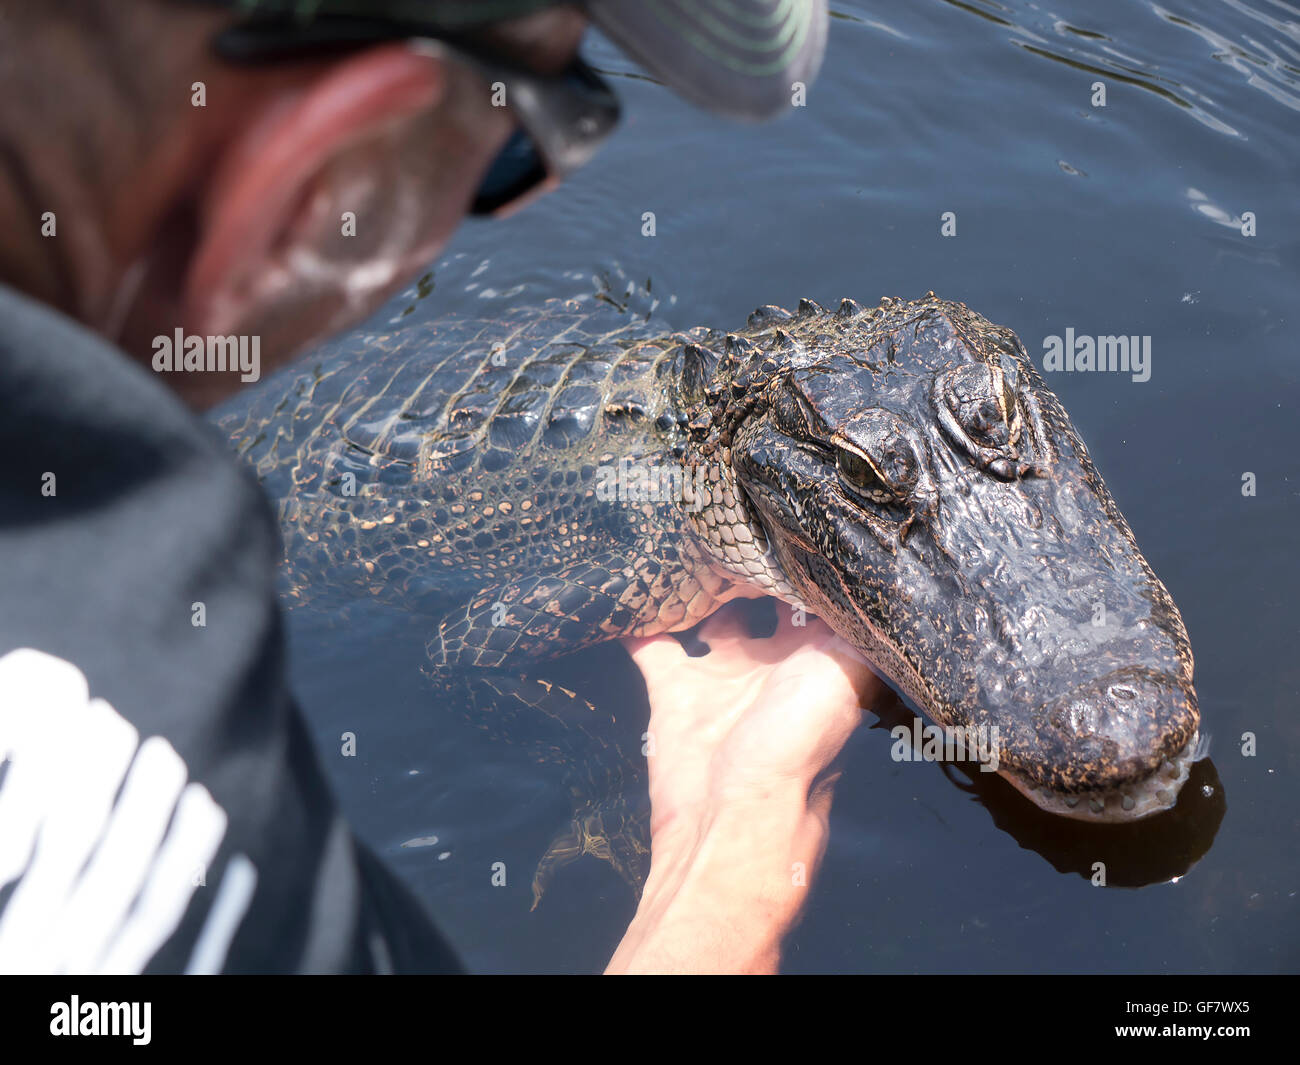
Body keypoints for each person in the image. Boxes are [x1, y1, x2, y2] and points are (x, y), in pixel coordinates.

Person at [0, 0, 880, 975]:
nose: (522, 198)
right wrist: (726, 865)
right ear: (319, 177)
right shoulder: (116, 810)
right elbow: (465, 654)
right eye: (516, 149)